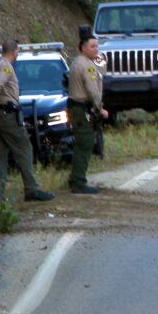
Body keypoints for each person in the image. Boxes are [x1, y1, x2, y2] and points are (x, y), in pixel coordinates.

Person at [0, 40, 54, 203]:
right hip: (6, 113)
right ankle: (31, 188)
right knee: (24, 147)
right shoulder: (6, 67)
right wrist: (4, 103)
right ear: (14, 51)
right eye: (18, 51)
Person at [67, 29, 108, 195]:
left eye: (97, 46)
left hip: (77, 107)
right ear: (83, 48)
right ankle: (78, 182)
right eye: (92, 46)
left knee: (82, 143)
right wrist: (100, 108)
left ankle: (75, 179)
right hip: (82, 108)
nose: (96, 49)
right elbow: (92, 90)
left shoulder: (77, 62)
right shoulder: (87, 66)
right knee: (85, 143)